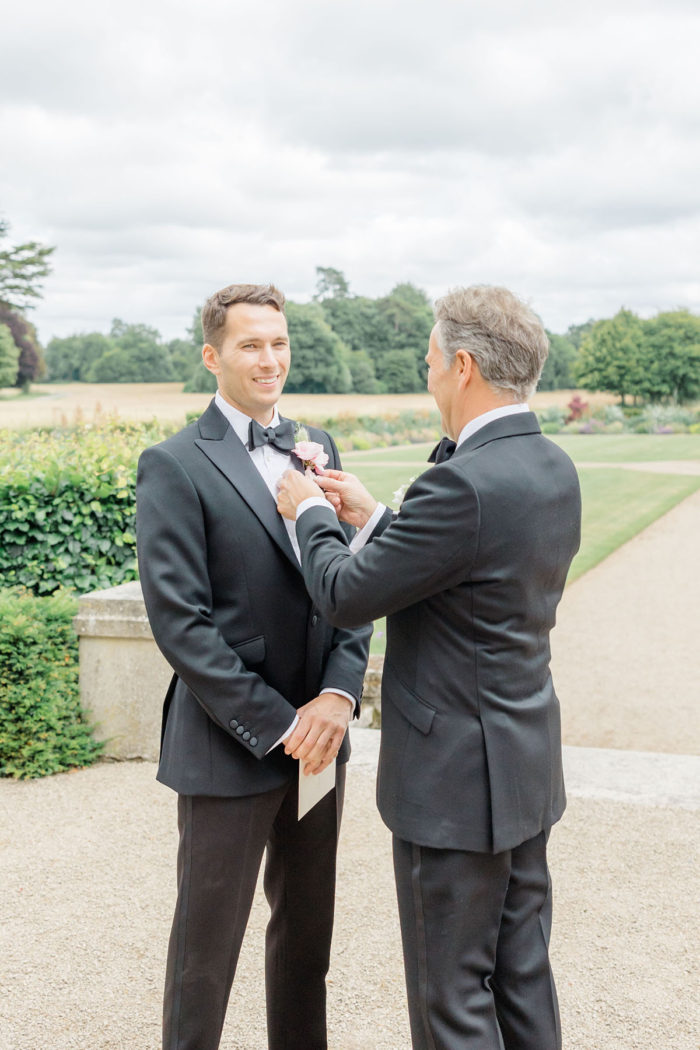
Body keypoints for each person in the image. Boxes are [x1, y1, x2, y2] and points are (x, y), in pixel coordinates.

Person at [277, 284, 582, 1050]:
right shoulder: (549, 464)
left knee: (451, 995)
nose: (429, 378)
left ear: (466, 365)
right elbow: (469, 570)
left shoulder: (462, 482)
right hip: (523, 766)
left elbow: (347, 595)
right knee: (520, 973)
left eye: (430, 364)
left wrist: (309, 513)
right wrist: (377, 519)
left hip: (451, 781)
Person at [136, 283, 371, 1050]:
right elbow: (182, 625)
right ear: (213, 355)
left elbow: (351, 586)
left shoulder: (320, 447)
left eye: (278, 342)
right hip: (231, 742)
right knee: (203, 962)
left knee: (306, 945)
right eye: (250, 344)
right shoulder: (174, 465)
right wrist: (281, 726)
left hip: (321, 745)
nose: (269, 359)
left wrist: (337, 695)